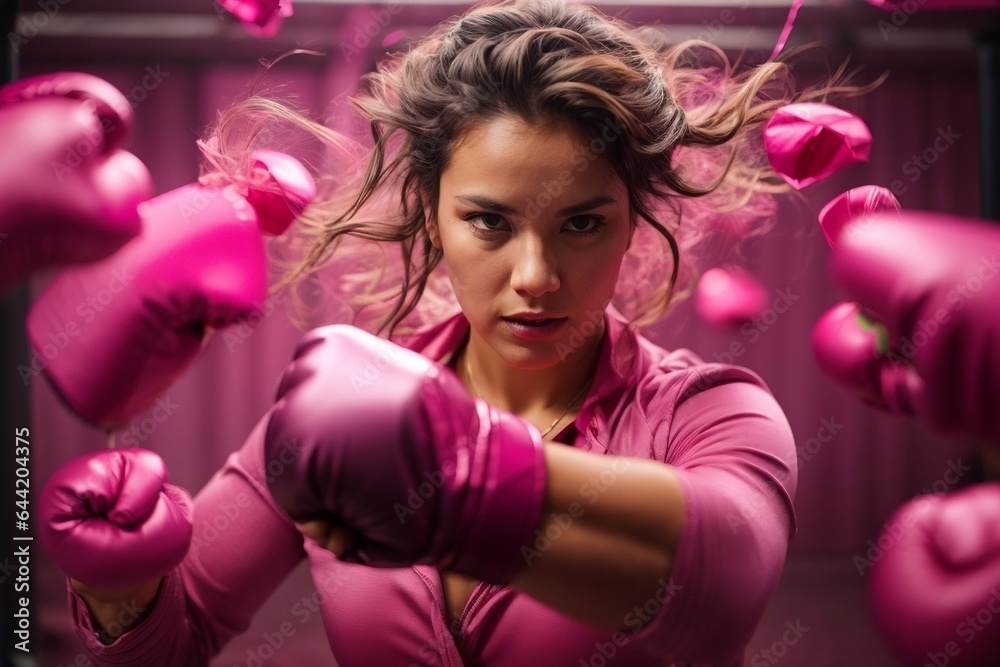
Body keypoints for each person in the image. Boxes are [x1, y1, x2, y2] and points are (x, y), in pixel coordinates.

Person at [41, 0, 853, 664]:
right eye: (490, 221)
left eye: (581, 223)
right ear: (434, 214)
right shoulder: (347, 407)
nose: (536, 275)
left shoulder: (712, 413)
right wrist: (124, 587)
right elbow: (178, 643)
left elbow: (725, 588)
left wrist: (461, 481)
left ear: (631, 221)